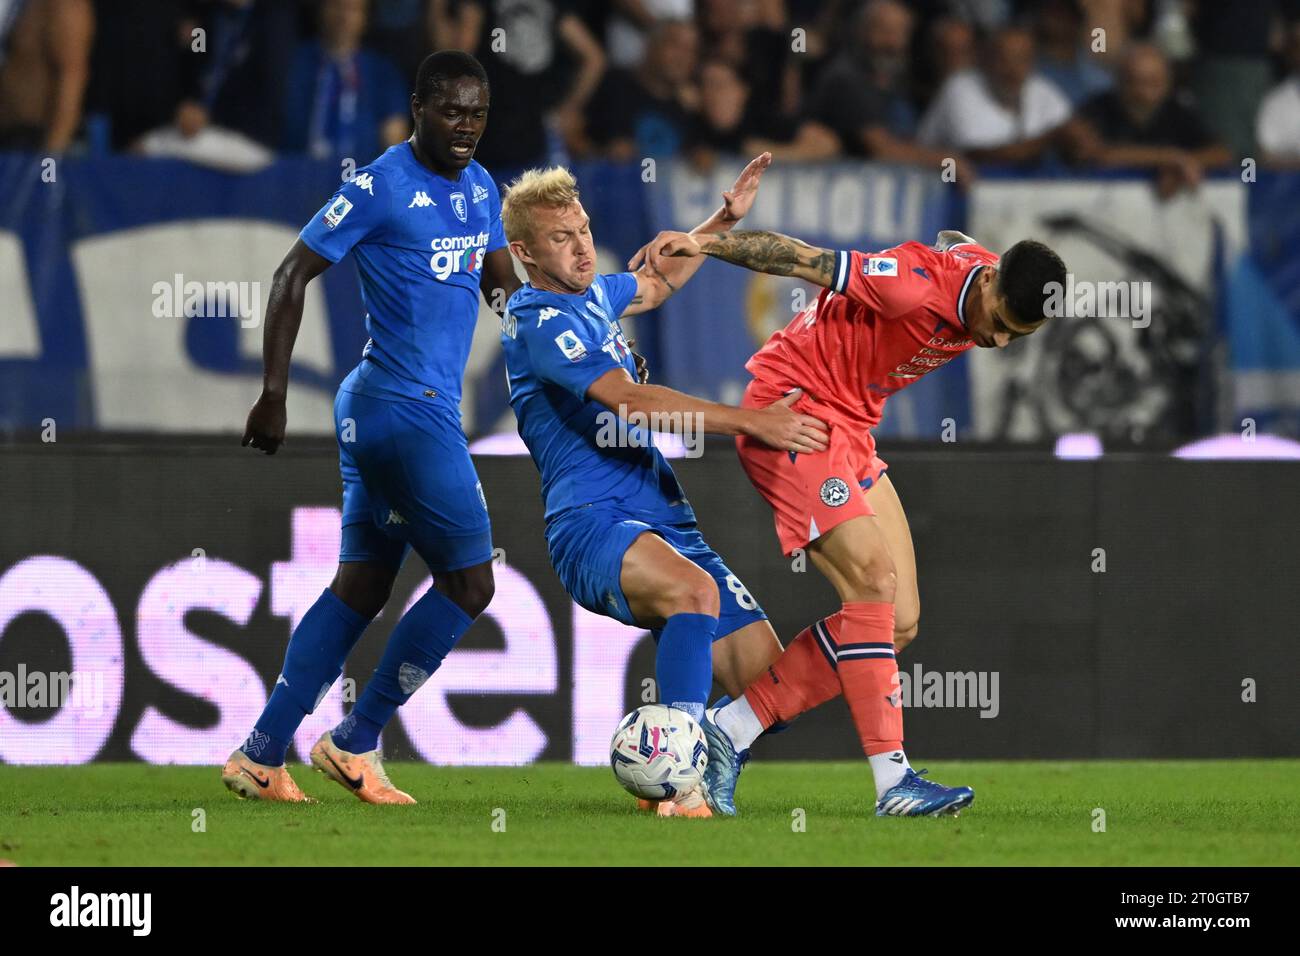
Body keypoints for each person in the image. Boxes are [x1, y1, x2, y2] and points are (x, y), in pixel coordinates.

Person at [640, 223, 1067, 817]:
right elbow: (801, 259)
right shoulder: (908, 288)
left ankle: (729, 732)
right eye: (998, 321)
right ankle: (894, 782)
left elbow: (954, 240)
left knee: (899, 622)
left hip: (850, 429)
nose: (995, 338)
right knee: (873, 583)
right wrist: (708, 244)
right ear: (990, 281)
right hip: (795, 411)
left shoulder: (986, 273)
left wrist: (953, 246)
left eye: (1014, 335)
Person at [223, 51, 522, 805]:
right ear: (417, 107)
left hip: (394, 407)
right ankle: (355, 740)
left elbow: (503, 289)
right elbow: (292, 274)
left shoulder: (482, 188)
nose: (466, 127)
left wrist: (561, 336)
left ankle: (260, 755)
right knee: (470, 582)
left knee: (361, 585)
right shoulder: (381, 184)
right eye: (451, 110)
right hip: (400, 407)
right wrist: (272, 394)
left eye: (478, 113)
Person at [498, 154, 828, 817]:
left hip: (665, 520)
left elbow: (654, 282)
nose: (582, 246)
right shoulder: (539, 320)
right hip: (593, 522)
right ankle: (676, 781)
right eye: (562, 239)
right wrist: (750, 421)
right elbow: (631, 401)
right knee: (693, 591)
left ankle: (661, 747)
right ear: (524, 253)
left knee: (772, 685)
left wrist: (717, 225)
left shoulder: (593, 294)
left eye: (584, 229)